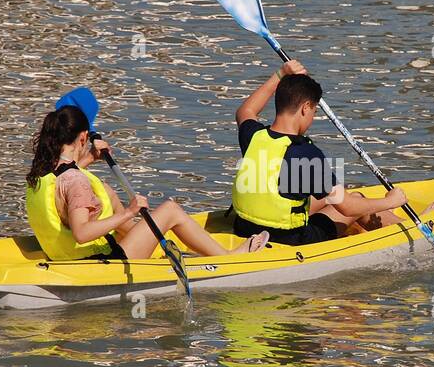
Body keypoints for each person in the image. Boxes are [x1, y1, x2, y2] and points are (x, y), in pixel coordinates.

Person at [26, 105, 269, 261]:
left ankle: (147, 238)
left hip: (66, 258)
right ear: (82, 137)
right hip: (100, 263)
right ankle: (227, 259)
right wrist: (129, 212)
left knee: (107, 192)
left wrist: (90, 157)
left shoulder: (44, 171)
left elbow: (66, 180)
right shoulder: (76, 182)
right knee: (171, 210)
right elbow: (81, 233)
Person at [231, 59, 413, 246]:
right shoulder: (307, 154)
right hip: (290, 240)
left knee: (327, 195)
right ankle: (412, 230)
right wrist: (391, 201)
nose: (313, 117)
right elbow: (348, 207)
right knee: (355, 198)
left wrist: (280, 73)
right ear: (305, 107)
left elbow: (246, 110)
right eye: (314, 111)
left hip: (245, 229)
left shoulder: (253, 136)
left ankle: (367, 227)